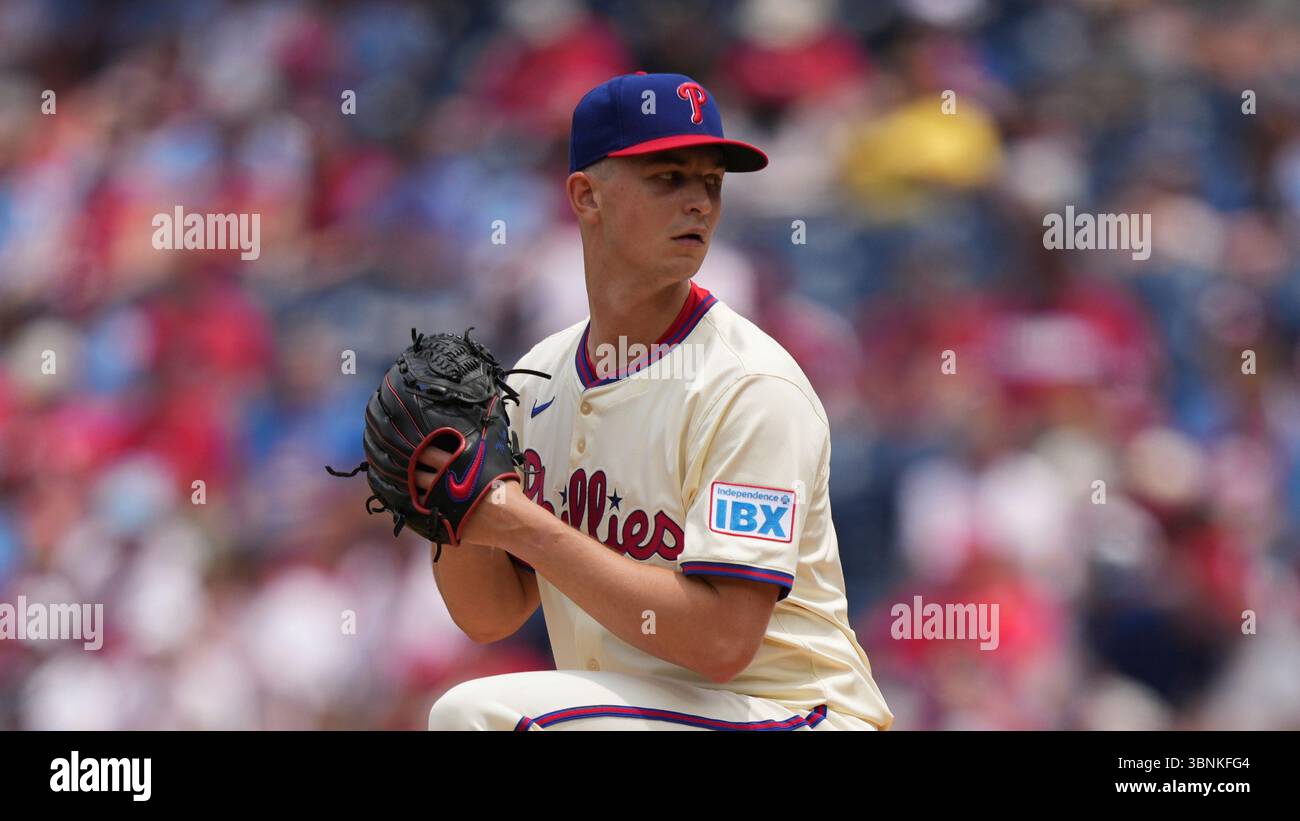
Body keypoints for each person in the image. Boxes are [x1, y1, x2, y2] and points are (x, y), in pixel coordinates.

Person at [419, 72, 892, 730]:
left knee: (479, 714)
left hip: (794, 714)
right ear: (587, 196)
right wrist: (449, 508)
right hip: (656, 712)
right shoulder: (537, 379)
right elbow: (489, 615)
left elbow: (722, 642)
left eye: (711, 181)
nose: (698, 201)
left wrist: (518, 522)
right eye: (669, 178)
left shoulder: (749, 386)